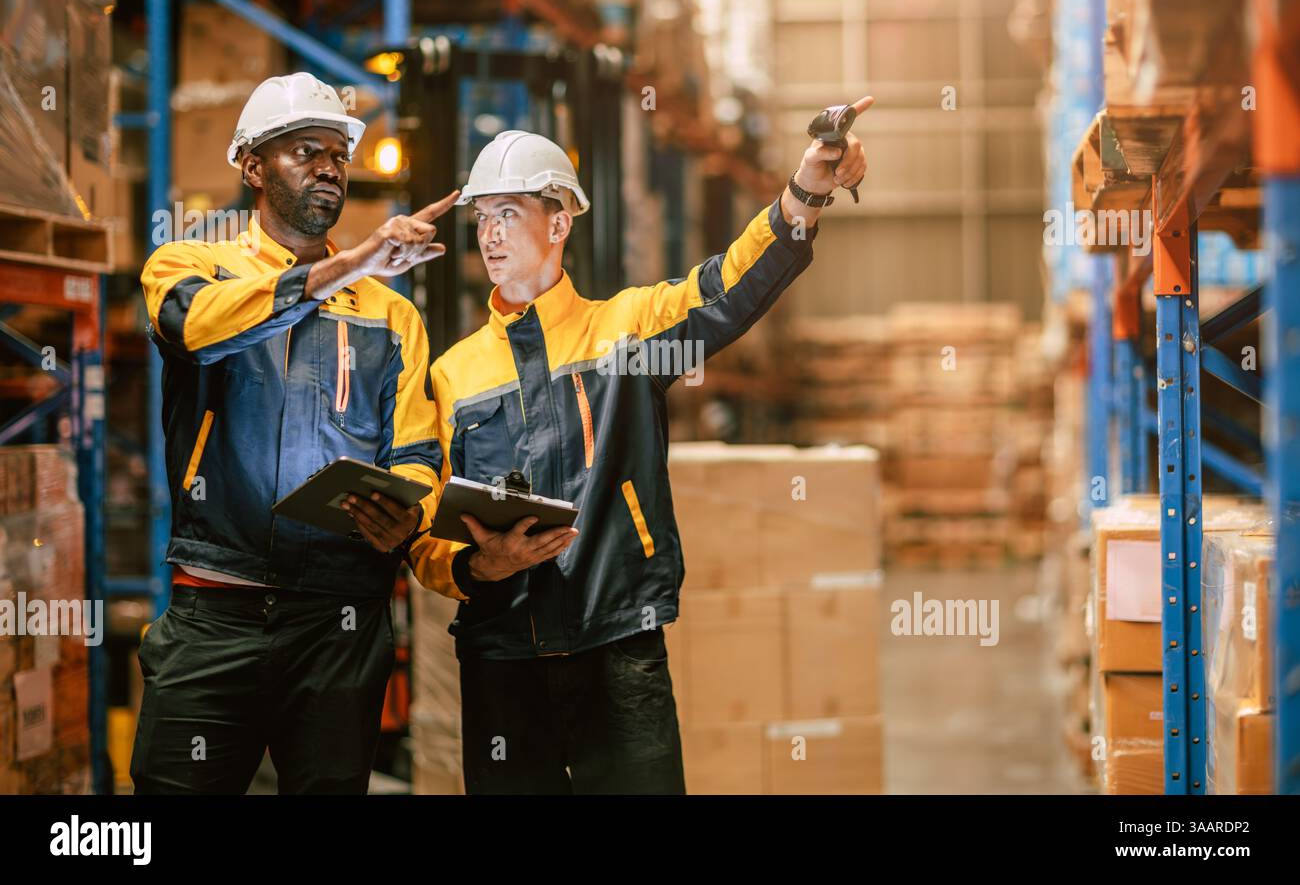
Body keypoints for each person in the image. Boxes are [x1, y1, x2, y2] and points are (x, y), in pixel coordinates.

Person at [393, 98, 870, 793]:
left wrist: (806, 189)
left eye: (508, 214)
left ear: (559, 221)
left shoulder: (627, 333)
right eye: (481, 217)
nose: (489, 235)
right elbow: (426, 531)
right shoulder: (451, 372)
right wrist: (475, 567)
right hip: (502, 661)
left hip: (616, 645)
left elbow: (729, 284)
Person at [132, 72, 458, 793]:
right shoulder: (190, 266)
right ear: (252, 165)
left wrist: (406, 514)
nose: (328, 167)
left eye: (339, 155)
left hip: (338, 624)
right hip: (214, 611)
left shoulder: (391, 314)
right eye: (306, 150)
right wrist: (345, 265)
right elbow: (192, 329)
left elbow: (413, 453)